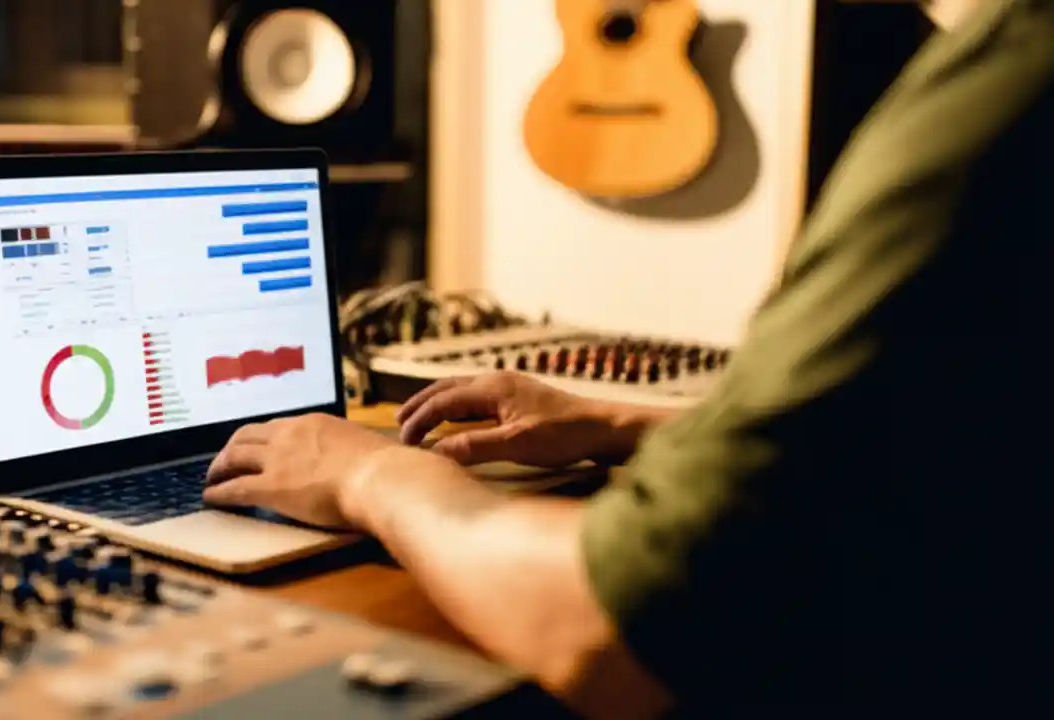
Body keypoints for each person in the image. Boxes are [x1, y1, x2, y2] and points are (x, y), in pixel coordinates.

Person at [204, 0, 1052, 715]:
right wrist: (615, 419)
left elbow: (609, 624)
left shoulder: (1015, 71)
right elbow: (951, 433)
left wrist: (369, 475)